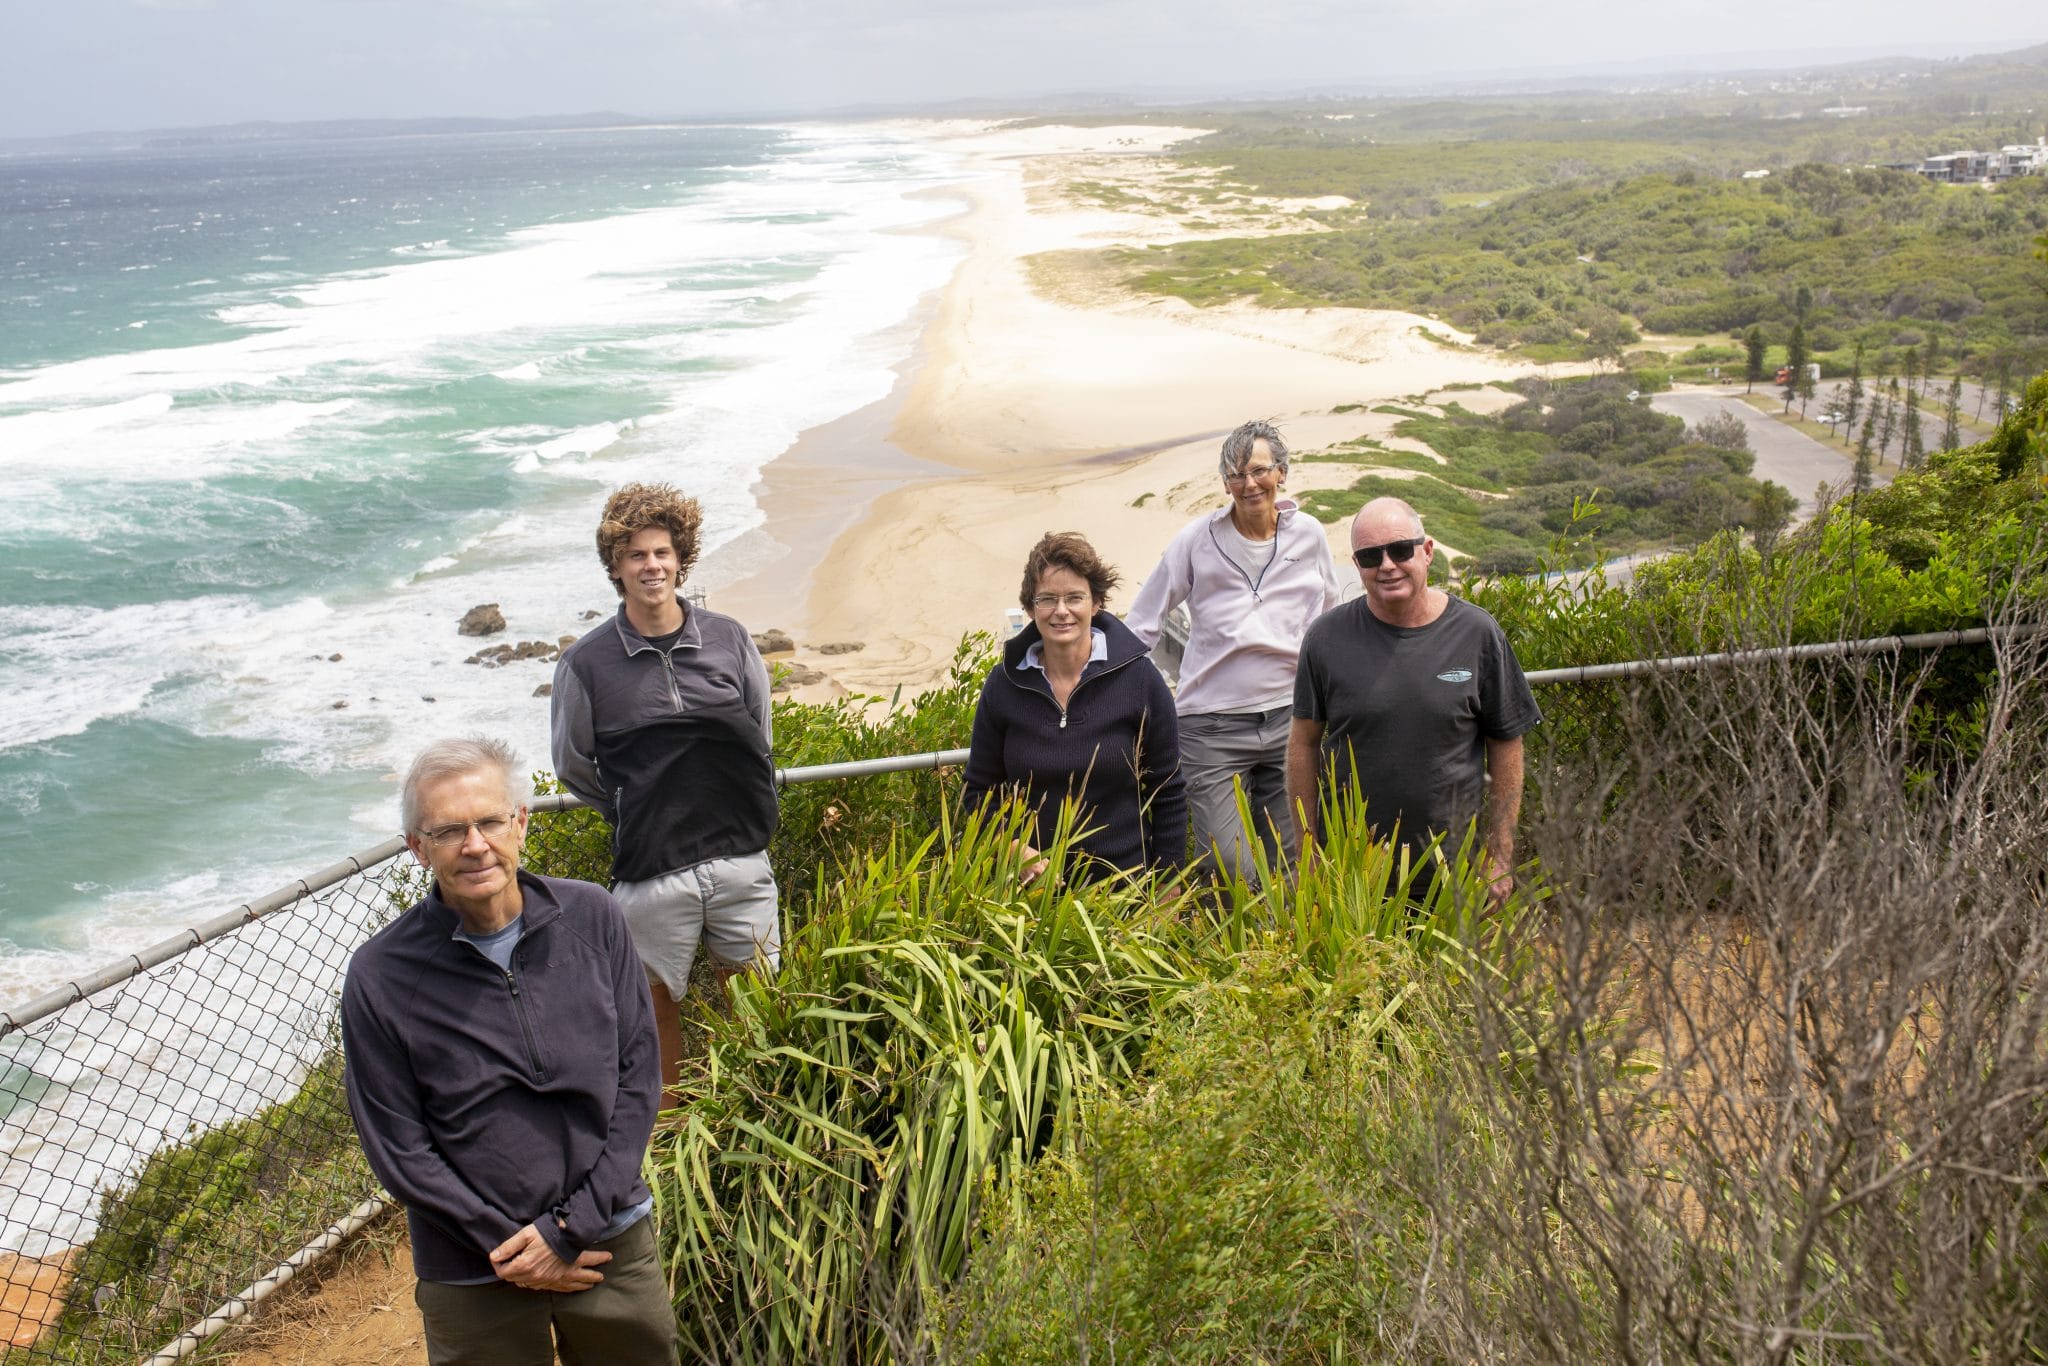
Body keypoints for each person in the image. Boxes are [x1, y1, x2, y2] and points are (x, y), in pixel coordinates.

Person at [341, 738, 675, 1365]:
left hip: (607, 1237)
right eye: (448, 831)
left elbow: (638, 1079)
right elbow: (398, 1148)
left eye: (490, 820)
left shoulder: (594, 917)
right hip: (472, 1263)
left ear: (521, 822)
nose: (475, 845)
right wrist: (518, 1250)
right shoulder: (381, 975)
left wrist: (569, 1230)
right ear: (418, 848)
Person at [550, 482, 779, 1103]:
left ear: (681, 558)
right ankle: (670, 1137)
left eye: (661, 553)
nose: (651, 566)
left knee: (756, 1010)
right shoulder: (586, 664)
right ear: (616, 568)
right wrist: (635, 803)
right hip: (651, 871)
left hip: (738, 858)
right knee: (650, 1018)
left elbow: (757, 734)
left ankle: (748, 1119)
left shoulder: (729, 638)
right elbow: (573, 765)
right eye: (636, 556)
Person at [1286, 497, 1541, 905]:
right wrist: (1308, 853)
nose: (1386, 565)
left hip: (1456, 871)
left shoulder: (1477, 633)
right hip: (1353, 875)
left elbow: (1507, 743)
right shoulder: (1325, 639)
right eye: (1370, 556)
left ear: (1427, 551)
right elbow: (1302, 745)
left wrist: (1500, 853)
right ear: (1356, 565)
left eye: (1400, 550)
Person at [1126, 419, 1340, 879]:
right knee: (1227, 863)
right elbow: (1143, 623)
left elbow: (1329, 617)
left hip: (1292, 721)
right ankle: (1251, 942)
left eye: (1259, 470)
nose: (1249, 484)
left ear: (1281, 472)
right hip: (1211, 728)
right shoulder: (1195, 540)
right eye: (1237, 474)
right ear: (1225, 482)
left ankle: (1277, 948)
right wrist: (1122, 690)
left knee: (1289, 858)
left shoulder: (1310, 535)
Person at [963, 531, 1188, 882]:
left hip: (1127, 888)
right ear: (1030, 607)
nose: (1061, 611)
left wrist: (1168, 883)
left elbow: (1169, 789)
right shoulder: (1003, 685)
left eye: (1074, 597)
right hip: (1029, 894)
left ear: (1096, 603)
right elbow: (978, 792)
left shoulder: (1140, 679)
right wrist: (1011, 846)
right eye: (1047, 599)